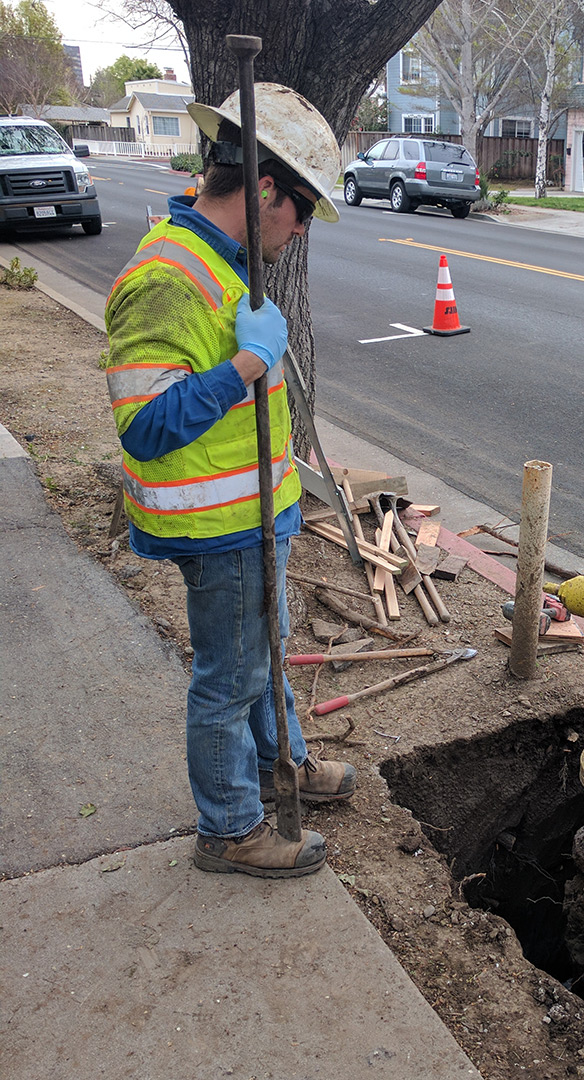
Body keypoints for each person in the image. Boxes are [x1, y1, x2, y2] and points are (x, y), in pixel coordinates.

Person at [104, 83, 356, 879]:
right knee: (229, 678)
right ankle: (229, 828)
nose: (303, 229)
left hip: (253, 520)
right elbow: (146, 427)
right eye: (301, 210)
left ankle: (287, 763)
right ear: (265, 189)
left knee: (264, 658)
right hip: (216, 531)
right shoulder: (169, 278)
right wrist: (242, 366)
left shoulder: (223, 262)